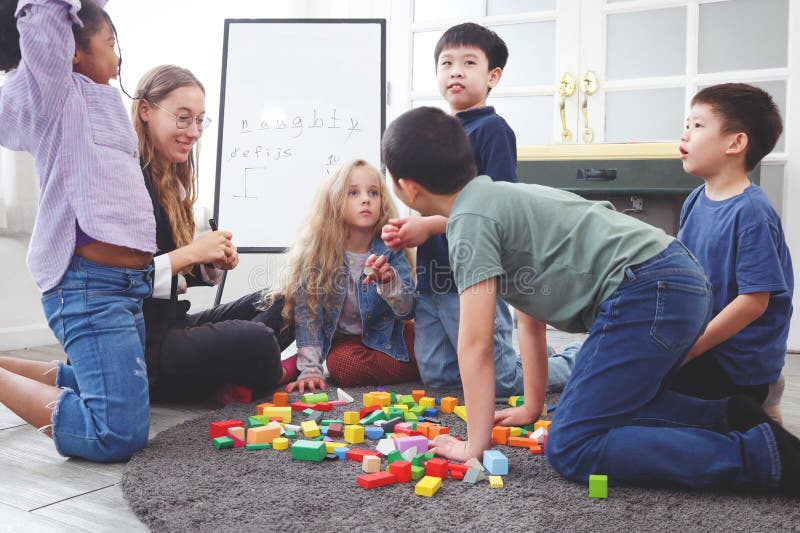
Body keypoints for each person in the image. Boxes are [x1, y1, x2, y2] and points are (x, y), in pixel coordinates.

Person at [381, 106, 800, 495]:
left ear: (408, 190)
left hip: (647, 289)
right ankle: (729, 417)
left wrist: (475, 443)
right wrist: (531, 404)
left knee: (572, 445)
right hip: (676, 281)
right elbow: (530, 316)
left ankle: (760, 459)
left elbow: (475, 344)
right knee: (608, 406)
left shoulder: (471, 225)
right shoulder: (499, 198)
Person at [381, 22, 576, 396]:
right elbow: (430, 199)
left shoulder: (493, 130)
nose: (455, 70)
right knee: (438, 378)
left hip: (475, 274)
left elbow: (496, 210)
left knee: (501, 380)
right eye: (446, 63)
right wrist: (408, 228)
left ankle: (575, 359)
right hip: (432, 275)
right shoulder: (433, 133)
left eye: (469, 62)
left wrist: (428, 227)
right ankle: (533, 360)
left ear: (493, 76)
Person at [0, 0, 156, 461]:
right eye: (111, 42)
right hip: (87, 286)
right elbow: (46, 14)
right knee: (117, 435)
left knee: (110, 388)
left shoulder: (101, 99)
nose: (119, 55)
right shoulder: (57, 93)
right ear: (68, 49)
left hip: (126, 289)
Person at [131, 64, 295, 402]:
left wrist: (207, 265)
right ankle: (252, 372)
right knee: (259, 340)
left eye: (199, 120)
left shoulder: (169, 182)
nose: (194, 131)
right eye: (182, 118)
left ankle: (233, 376)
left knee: (288, 298)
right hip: (147, 346)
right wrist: (194, 252)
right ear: (145, 109)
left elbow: (167, 276)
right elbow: (129, 280)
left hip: (175, 323)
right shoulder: (132, 182)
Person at [671, 83, 793, 425]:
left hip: (737, 361)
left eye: (697, 125)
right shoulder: (697, 199)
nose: (685, 133)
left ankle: (763, 398)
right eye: (686, 124)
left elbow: (755, 301)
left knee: (654, 398)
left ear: (735, 142)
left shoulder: (751, 211)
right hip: (706, 343)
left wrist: (692, 348)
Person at [264, 159, 419, 394]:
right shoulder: (318, 253)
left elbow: (408, 310)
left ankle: (430, 364)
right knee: (343, 367)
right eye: (353, 193)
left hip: (390, 333)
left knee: (433, 339)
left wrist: (389, 282)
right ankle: (425, 369)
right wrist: (311, 369)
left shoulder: (391, 247)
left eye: (373, 193)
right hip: (348, 343)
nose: (366, 199)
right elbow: (309, 315)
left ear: (382, 202)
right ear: (335, 201)